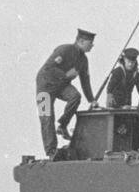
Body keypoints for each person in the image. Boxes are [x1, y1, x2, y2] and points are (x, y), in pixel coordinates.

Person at [36, 29, 96, 157]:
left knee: (75, 96)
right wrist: (65, 75)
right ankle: (51, 151)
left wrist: (91, 100)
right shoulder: (64, 50)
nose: (92, 45)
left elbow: (85, 81)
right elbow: (48, 68)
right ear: (81, 41)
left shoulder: (83, 60)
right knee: (47, 118)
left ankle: (62, 125)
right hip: (45, 86)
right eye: (90, 43)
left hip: (61, 86)